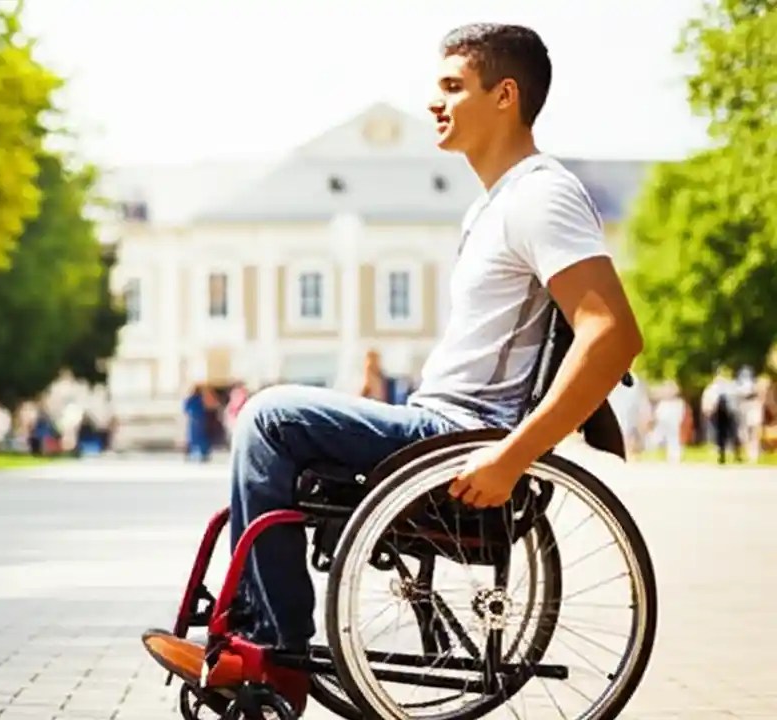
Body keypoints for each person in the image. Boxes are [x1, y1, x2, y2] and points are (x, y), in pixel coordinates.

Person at [141, 23, 645, 715]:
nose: (433, 104)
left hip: (459, 436)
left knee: (269, 414)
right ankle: (255, 643)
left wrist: (512, 455)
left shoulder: (540, 196)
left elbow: (613, 334)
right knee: (277, 431)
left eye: (451, 87)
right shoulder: (494, 203)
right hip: (436, 426)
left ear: (505, 95)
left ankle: (269, 653)